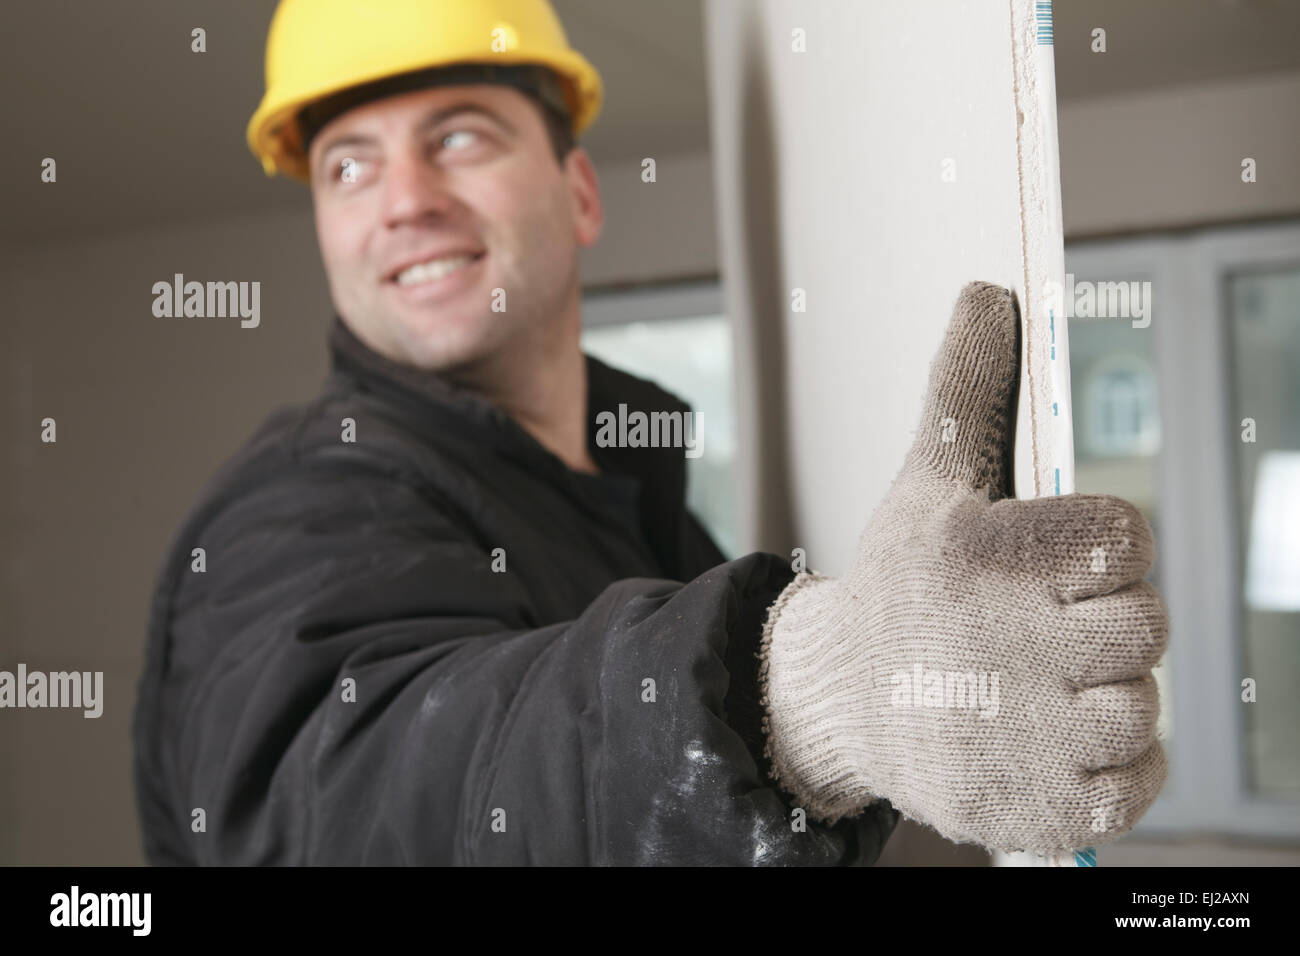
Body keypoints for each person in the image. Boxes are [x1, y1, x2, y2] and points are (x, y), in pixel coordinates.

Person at [132, 0, 1168, 865]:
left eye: (457, 135)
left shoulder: (625, 492)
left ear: (579, 193)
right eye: (347, 168)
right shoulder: (300, 501)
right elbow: (366, 795)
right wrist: (819, 696)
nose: (403, 200)